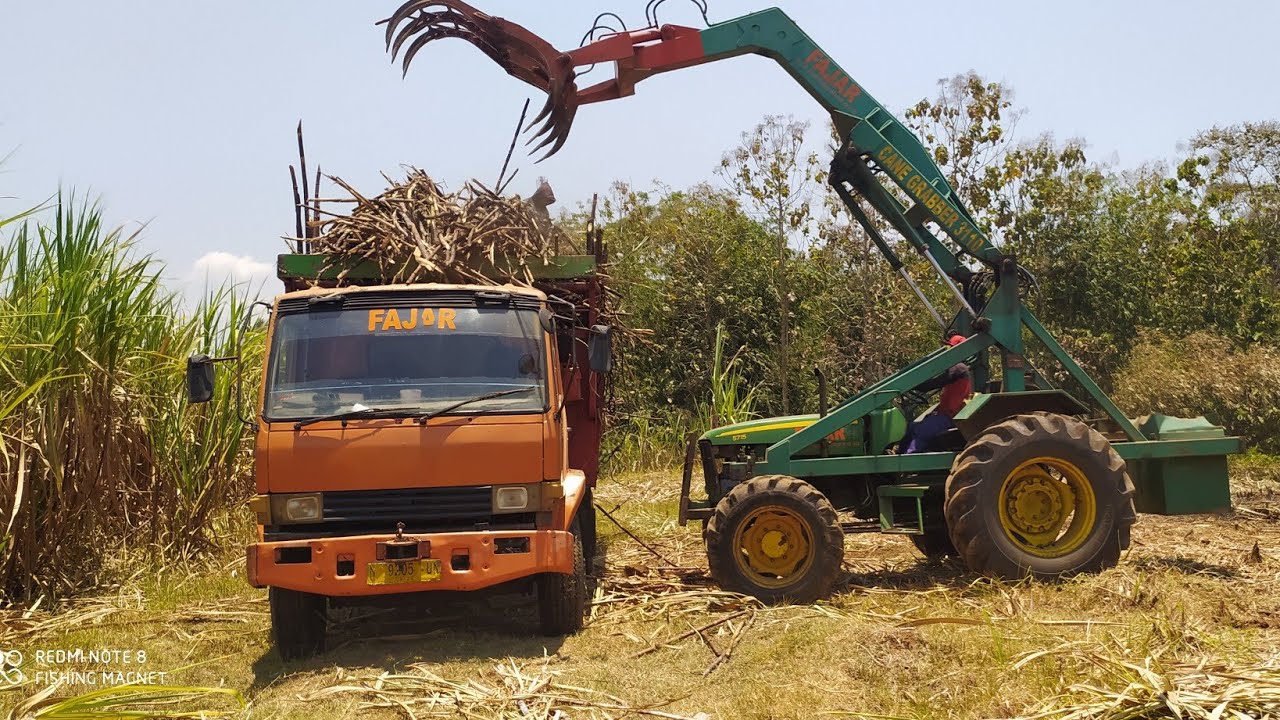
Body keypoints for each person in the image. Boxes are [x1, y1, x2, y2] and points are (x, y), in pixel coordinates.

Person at [901, 333, 972, 454]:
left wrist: (912, 383)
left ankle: (908, 459)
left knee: (922, 430)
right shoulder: (955, 368)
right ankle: (898, 456)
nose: (948, 351)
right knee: (910, 427)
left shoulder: (959, 368)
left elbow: (933, 383)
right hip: (944, 414)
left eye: (951, 348)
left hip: (950, 417)